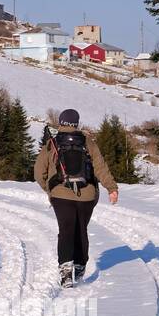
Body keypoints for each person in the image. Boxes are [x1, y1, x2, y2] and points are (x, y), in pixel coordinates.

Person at [34, 108, 118, 287]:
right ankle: (79, 267)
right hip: (87, 195)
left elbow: (38, 172)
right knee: (81, 230)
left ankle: (65, 271)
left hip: (60, 194)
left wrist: (50, 189)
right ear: (77, 123)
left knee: (66, 230)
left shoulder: (52, 143)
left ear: (61, 122)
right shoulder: (88, 142)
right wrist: (111, 188)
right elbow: (100, 167)